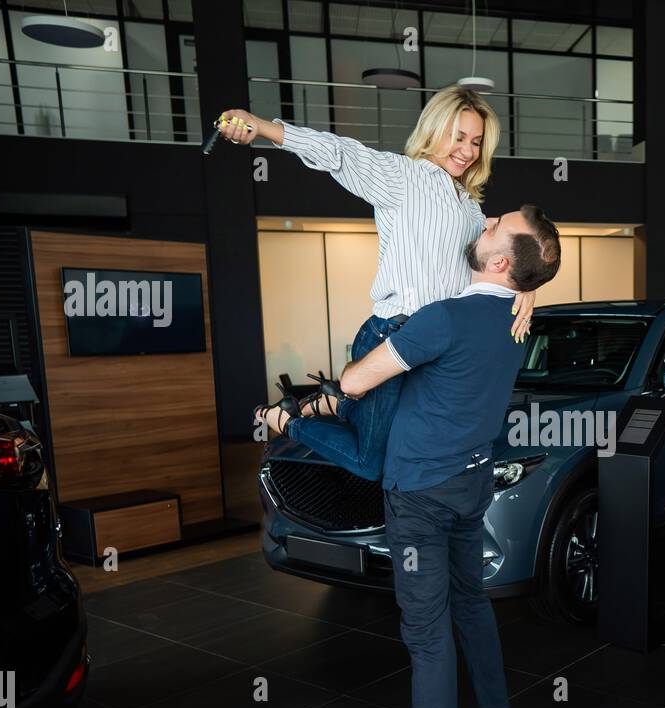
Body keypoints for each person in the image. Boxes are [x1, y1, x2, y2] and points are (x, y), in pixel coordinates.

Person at [316, 205, 561, 708]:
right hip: (471, 482)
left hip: (421, 494)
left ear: (501, 261)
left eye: (490, 228)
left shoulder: (445, 318)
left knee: (426, 634)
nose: (479, 229)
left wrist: (356, 367)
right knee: (471, 606)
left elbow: (352, 383)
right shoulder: (515, 318)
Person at [217, 87, 536, 481]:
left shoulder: (470, 206)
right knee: (372, 462)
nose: (467, 151)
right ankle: (285, 418)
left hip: (432, 346)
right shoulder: (402, 177)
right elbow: (338, 153)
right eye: (459, 137)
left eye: (476, 142)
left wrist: (527, 288)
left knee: (408, 445)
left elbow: (502, 258)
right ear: (434, 129)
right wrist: (263, 128)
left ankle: (335, 403)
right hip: (392, 334)